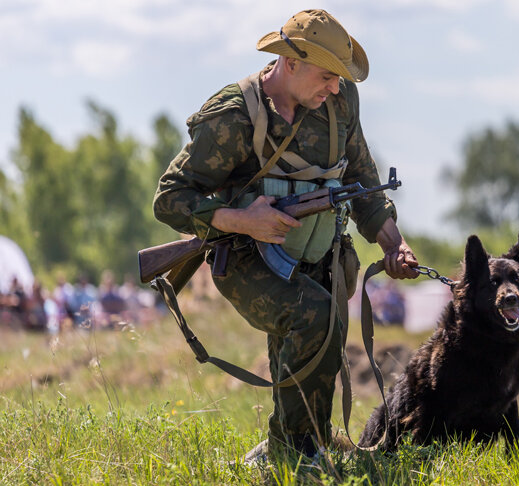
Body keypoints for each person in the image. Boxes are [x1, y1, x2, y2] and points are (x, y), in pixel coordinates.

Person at [153, 9, 418, 460]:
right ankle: (290, 450)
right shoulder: (234, 115)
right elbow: (170, 198)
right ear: (289, 62)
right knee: (312, 316)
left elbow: (363, 183)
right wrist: (242, 219)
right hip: (244, 256)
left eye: (339, 78)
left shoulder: (340, 101)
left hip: (320, 251)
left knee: (325, 334)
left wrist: (397, 245)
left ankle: (304, 442)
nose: (335, 86)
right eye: (326, 75)